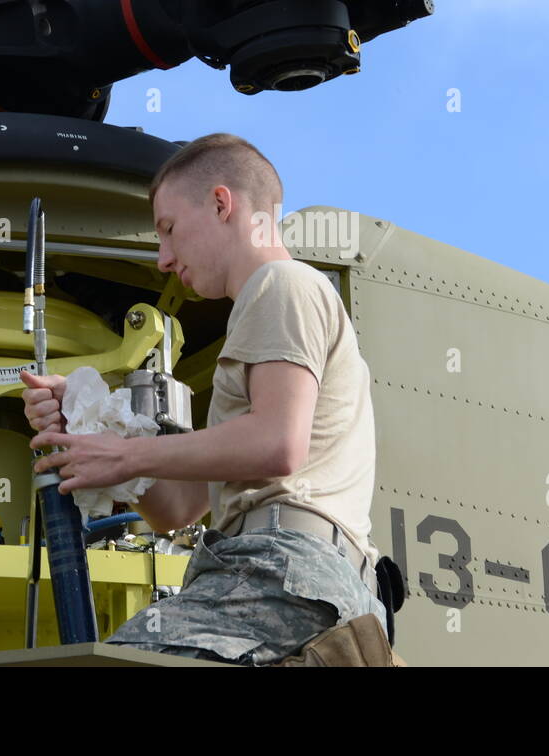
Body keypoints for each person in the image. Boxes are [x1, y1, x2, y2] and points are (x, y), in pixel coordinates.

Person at [19, 132, 387, 666]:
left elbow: (277, 443)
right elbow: (176, 509)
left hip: (282, 569)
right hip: (289, 578)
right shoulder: (264, 317)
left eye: (169, 230)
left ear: (221, 203)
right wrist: (85, 420)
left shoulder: (281, 284)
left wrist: (123, 455)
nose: (164, 259)